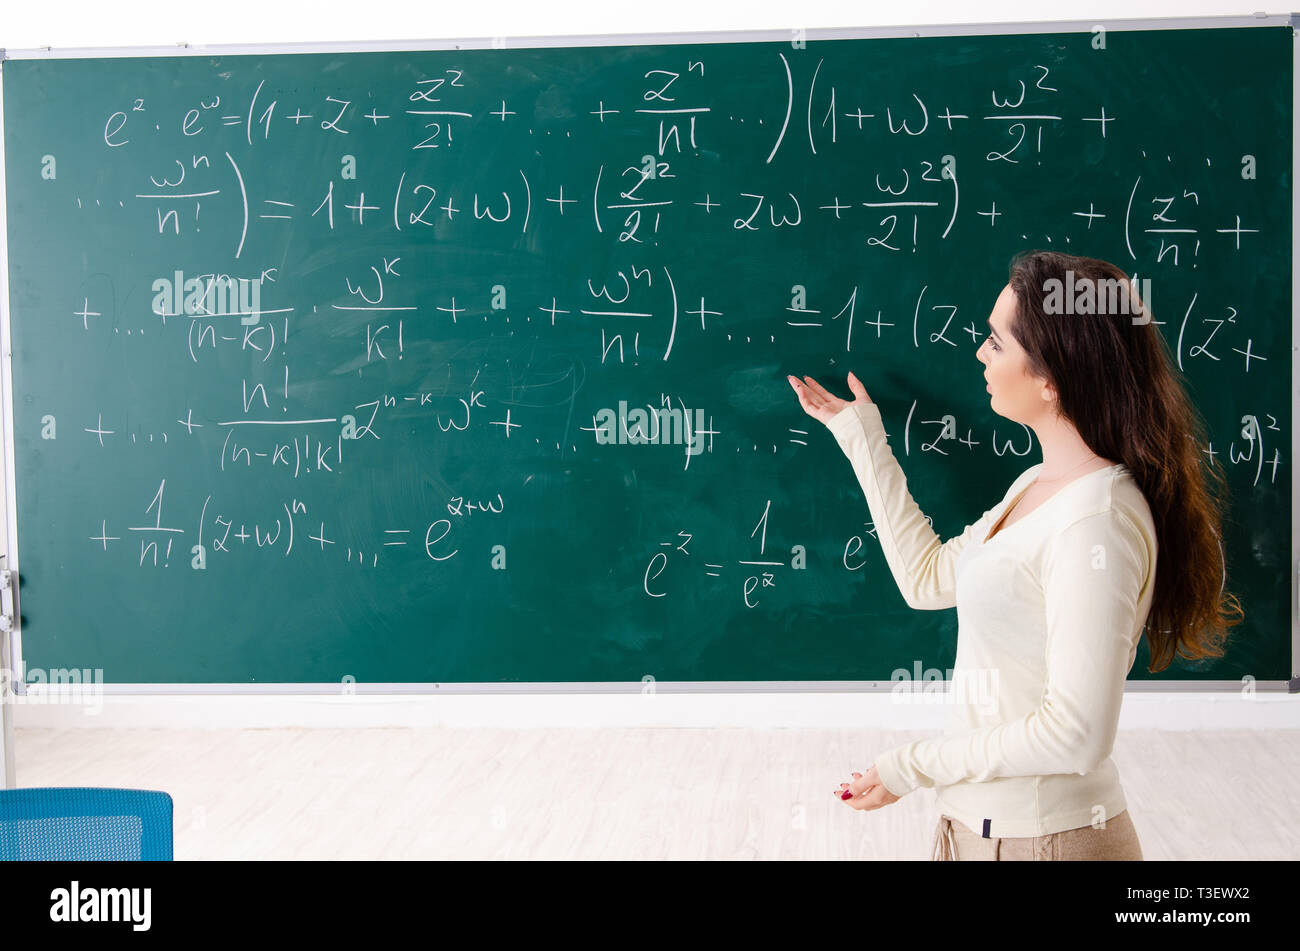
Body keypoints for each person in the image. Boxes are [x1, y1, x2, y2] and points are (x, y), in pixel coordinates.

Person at [788, 250, 1243, 860]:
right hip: (977, 829)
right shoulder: (1036, 486)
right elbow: (926, 580)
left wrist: (909, 767)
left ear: (1053, 378)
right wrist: (863, 440)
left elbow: (1076, 735)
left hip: (1045, 842)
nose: (979, 353)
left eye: (996, 343)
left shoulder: (1095, 524)